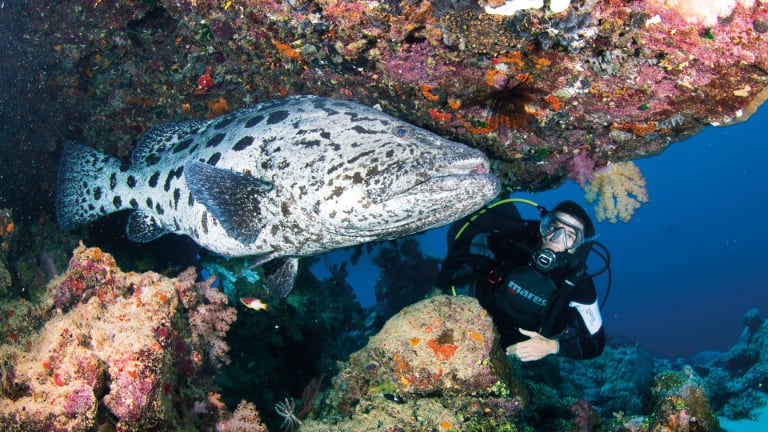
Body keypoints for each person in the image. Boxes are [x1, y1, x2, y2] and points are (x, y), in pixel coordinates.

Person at [435, 199, 605, 361]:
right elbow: (461, 248)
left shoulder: (578, 283)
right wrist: (437, 287)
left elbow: (596, 344)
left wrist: (552, 347)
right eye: (553, 227)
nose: (556, 239)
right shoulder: (513, 244)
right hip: (473, 315)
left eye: (569, 236)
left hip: (514, 345)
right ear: (543, 227)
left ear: (577, 248)